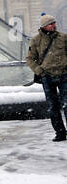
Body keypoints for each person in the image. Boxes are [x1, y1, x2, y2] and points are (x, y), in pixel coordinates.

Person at [26, 13, 66, 141]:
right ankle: (60, 133)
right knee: (52, 106)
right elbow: (30, 58)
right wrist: (39, 71)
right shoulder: (36, 40)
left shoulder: (63, 38)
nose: (53, 25)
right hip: (47, 77)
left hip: (64, 75)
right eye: (50, 24)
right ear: (44, 26)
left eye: (54, 23)